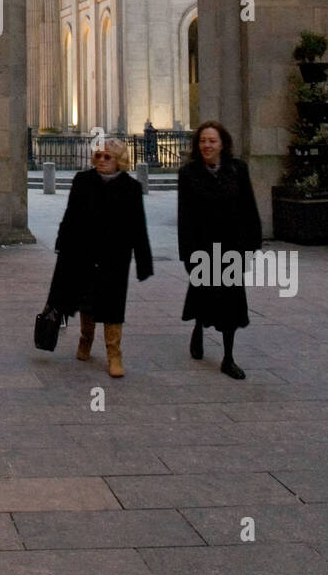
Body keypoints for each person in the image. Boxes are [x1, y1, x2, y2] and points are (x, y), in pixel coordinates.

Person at [47, 138, 153, 377]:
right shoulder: (83, 181)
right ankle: (86, 338)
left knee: (113, 303)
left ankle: (114, 353)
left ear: (119, 161)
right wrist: (62, 244)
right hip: (84, 251)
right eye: (98, 156)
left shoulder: (131, 188)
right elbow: (70, 216)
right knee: (87, 299)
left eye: (108, 157)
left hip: (115, 256)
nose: (101, 161)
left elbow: (138, 226)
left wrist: (143, 262)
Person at [179, 120, 262, 380]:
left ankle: (228, 357)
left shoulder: (238, 170)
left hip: (232, 247)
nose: (207, 145)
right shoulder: (189, 173)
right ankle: (198, 327)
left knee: (231, 302)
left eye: (212, 141)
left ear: (222, 144)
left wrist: (252, 244)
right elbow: (185, 216)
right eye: (203, 141)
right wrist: (187, 253)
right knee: (202, 293)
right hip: (202, 246)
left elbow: (249, 207)